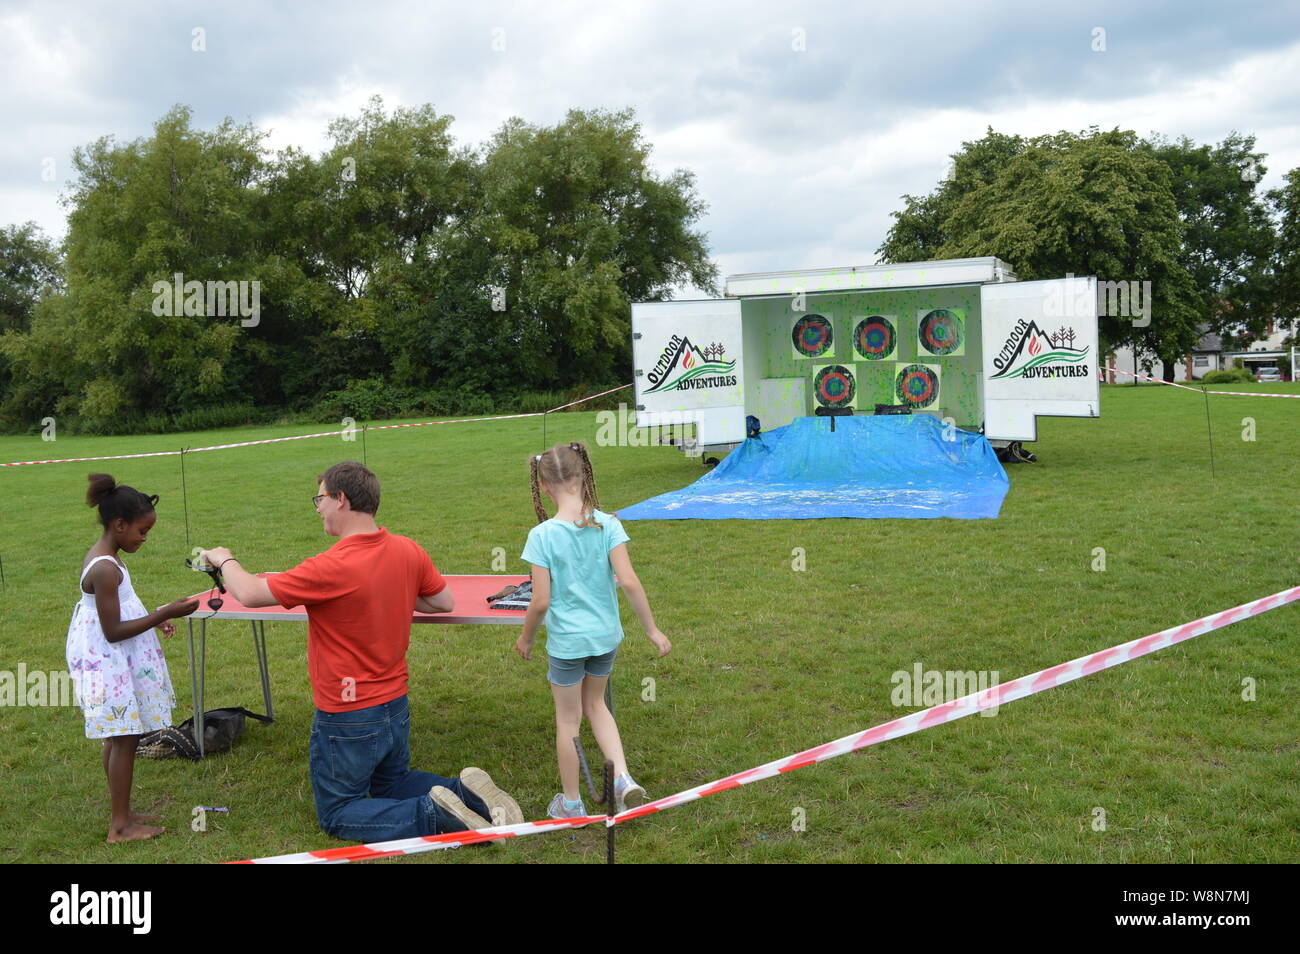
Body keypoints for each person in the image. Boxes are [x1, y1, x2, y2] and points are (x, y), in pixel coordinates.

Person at [199, 461, 522, 840]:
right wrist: (388, 588)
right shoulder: (407, 550)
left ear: (341, 499)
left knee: (338, 812)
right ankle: (466, 793)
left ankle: (434, 814)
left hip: (347, 713)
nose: (316, 507)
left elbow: (251, 593)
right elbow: (442, 602)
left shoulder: (330, 566)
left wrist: (224, 558)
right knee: (392, 782)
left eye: (319, 498)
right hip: (394, 703)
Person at [515, 442, 671, 819]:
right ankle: (623, 780)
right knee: (597, 706)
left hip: (568, 644)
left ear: (545, 486)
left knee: (568, 720)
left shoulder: (542, 535)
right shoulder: (609, 524)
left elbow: (539, 602)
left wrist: (526, 637)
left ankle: (571, 803)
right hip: (605, 639)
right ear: (584, 477)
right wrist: (652, 629)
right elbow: (630, 582)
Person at [68, 474, 200, 843]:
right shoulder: (105, 568)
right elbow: (112, 631)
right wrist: (165, 614)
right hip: (107, 658)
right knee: (124, 736)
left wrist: (155, 619)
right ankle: (120, 826)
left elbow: (119, 611)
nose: (144, 538)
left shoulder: (109, 557)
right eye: (142, 531)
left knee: (116, 736)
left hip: (108, 655)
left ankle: (122, 812)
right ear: (119, 524)